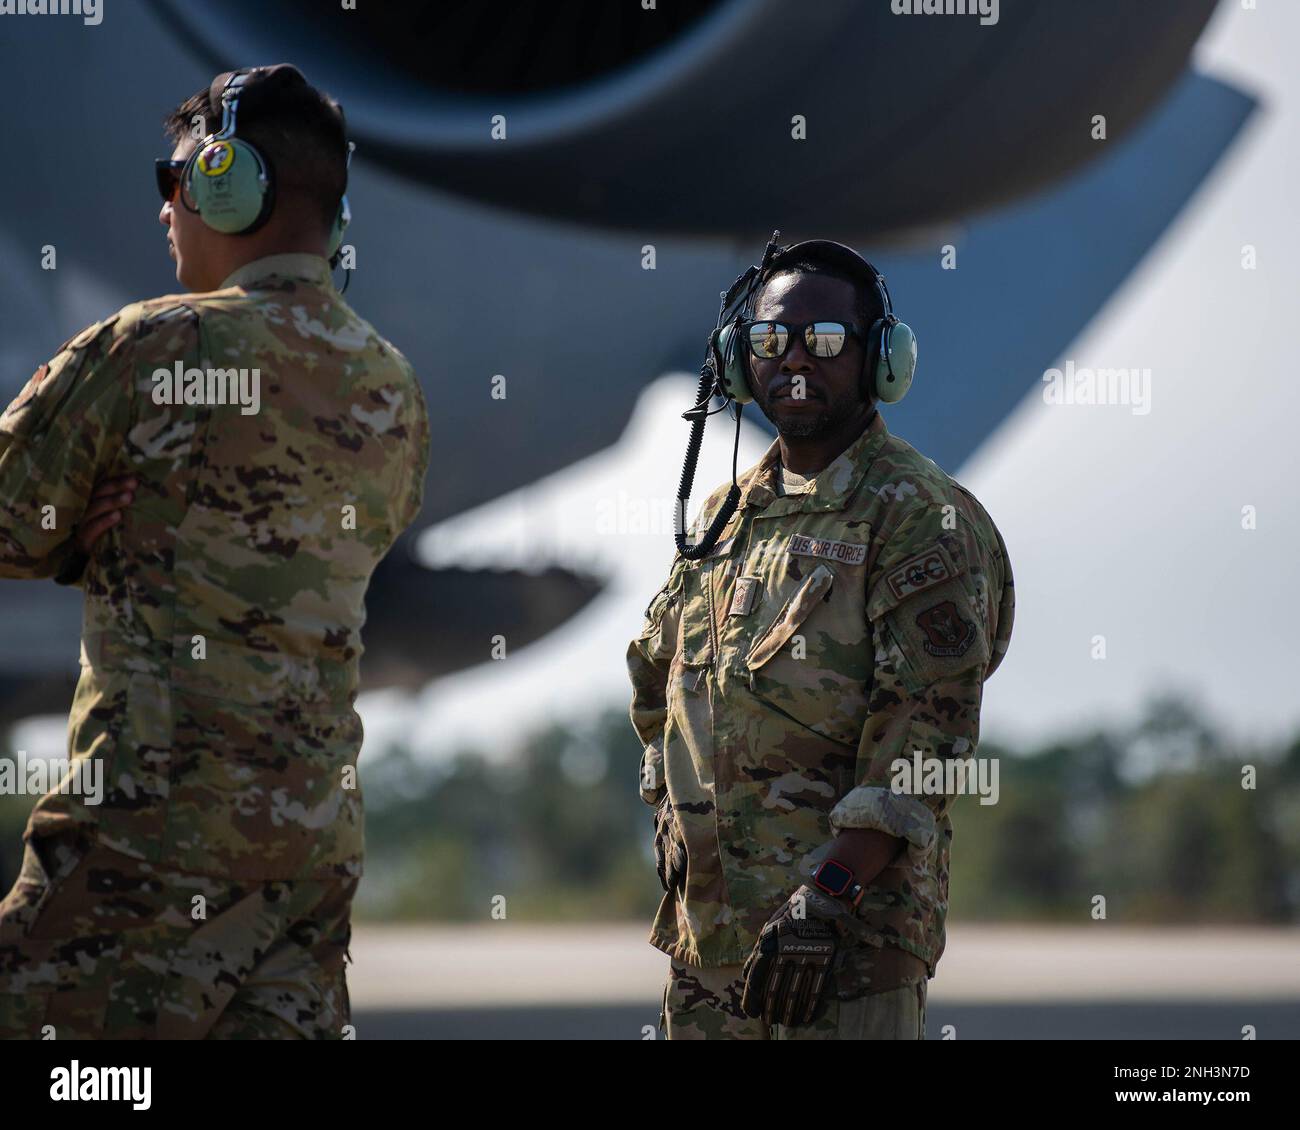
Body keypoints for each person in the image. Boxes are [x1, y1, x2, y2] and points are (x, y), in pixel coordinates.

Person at [0, 64, 430, 1039]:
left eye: (178, 179)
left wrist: (86, 538)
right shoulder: (393, 385)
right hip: (308, 858)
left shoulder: (147, 347)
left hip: (149, 844)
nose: (166, 207)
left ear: (230, 184)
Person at [627, 239, 1013, 1039]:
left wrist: (830, 892)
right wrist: (666, 805)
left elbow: (926, 735)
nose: (796, 359)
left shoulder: (915, 515)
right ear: (739, 361)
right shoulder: (725, 518)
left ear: (881, 360)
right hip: (710, 947)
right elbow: (660, 680)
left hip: (843, 951)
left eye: (826, 340)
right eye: (771, 341)